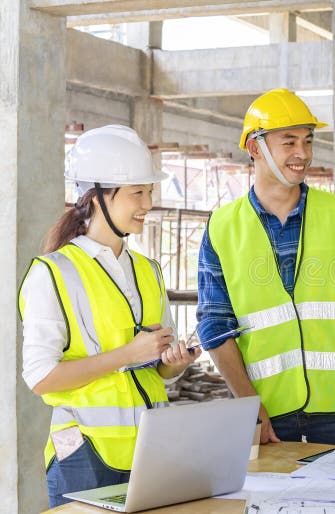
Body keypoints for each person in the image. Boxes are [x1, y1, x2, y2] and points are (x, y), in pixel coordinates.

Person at [196, 88, 335, 447]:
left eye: (307, 141)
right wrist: (247, 403)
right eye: (289, 142)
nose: (303, 153)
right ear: (255, 148)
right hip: (268, 411)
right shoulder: (221, 227)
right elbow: (214, 325)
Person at [19, 125, 199, 508]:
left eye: (149, 191)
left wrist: (173, 363)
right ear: (97, 196)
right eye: (137, 192)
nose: (148, 204)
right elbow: (41, 377)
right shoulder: (52, 273)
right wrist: (128, 354)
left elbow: (154, 371)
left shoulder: (148, 271)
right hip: (85, 456)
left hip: (151, 451)